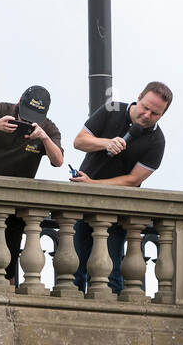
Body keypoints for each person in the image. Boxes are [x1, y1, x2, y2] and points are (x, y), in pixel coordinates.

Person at [68, 82, 172, 293]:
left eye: (155, 113)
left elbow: (132, 180)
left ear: (162, 115)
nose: (146, 115)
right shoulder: (111, 110)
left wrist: (93, 184)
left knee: (111, 272)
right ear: (139, 96)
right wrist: (106, 143)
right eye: (145, 107)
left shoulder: (157, 142)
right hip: (81, 202)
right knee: (73, 269)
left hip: (117, 211)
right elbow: (79, 142)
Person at [0, 85, 63, 283]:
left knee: (7, 264)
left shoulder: (48, 127)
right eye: (24, 115)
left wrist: (44, 138)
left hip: (13, 203)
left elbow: (58, 161)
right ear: (19, 102)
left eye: (32, 119)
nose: (26, 121)